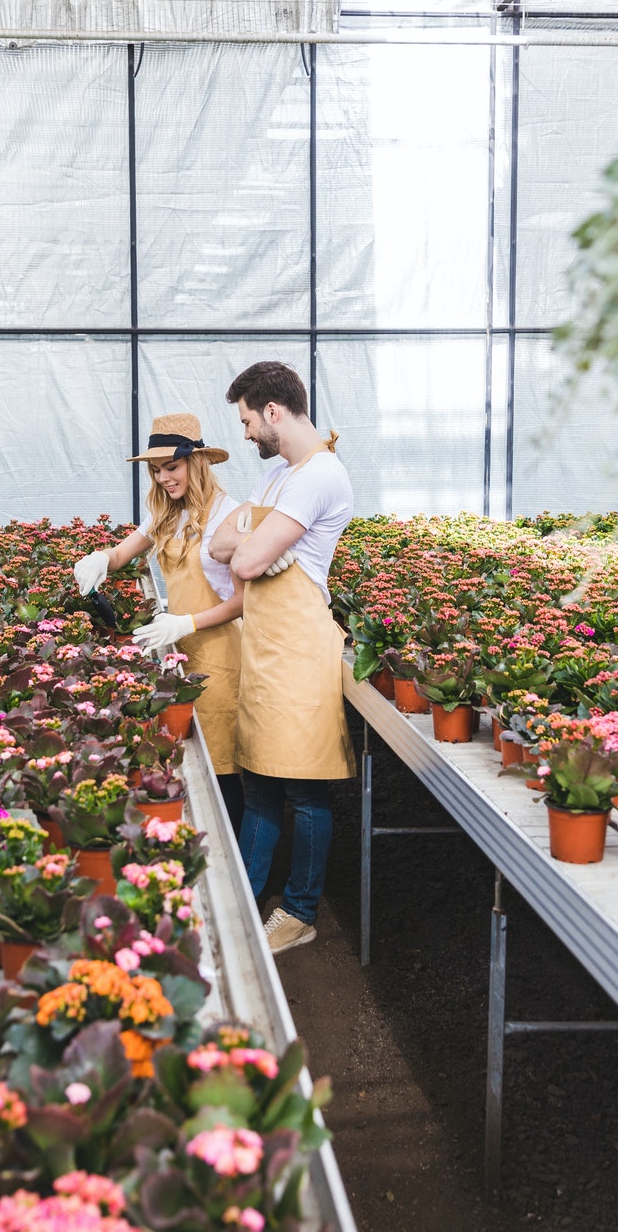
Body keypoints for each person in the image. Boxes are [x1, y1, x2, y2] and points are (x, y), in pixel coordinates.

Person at [208, 360, 356, 955]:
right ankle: (246, 897)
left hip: (297, 649)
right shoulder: (281, 479)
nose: (245, 435)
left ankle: (298, 912)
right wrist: (252, 540)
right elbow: (217, 544)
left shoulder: (318, 475)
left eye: (247, 421)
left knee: (305, 789)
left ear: (273, 411)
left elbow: (237, 562)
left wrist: (247, 545)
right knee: (262, 782)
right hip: (266, 647)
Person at [73, 413, 246, 823]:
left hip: (220, 656)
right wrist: (100, 559)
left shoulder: (230, 514)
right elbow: (120, 554)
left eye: (172, 467)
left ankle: (241, 869)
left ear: (197, 462)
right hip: (178, 653)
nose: (164, 479)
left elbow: (242, 601)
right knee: (188, 765)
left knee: (222, 771)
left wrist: (186, 623)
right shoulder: (165, 514)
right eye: (156, 471)